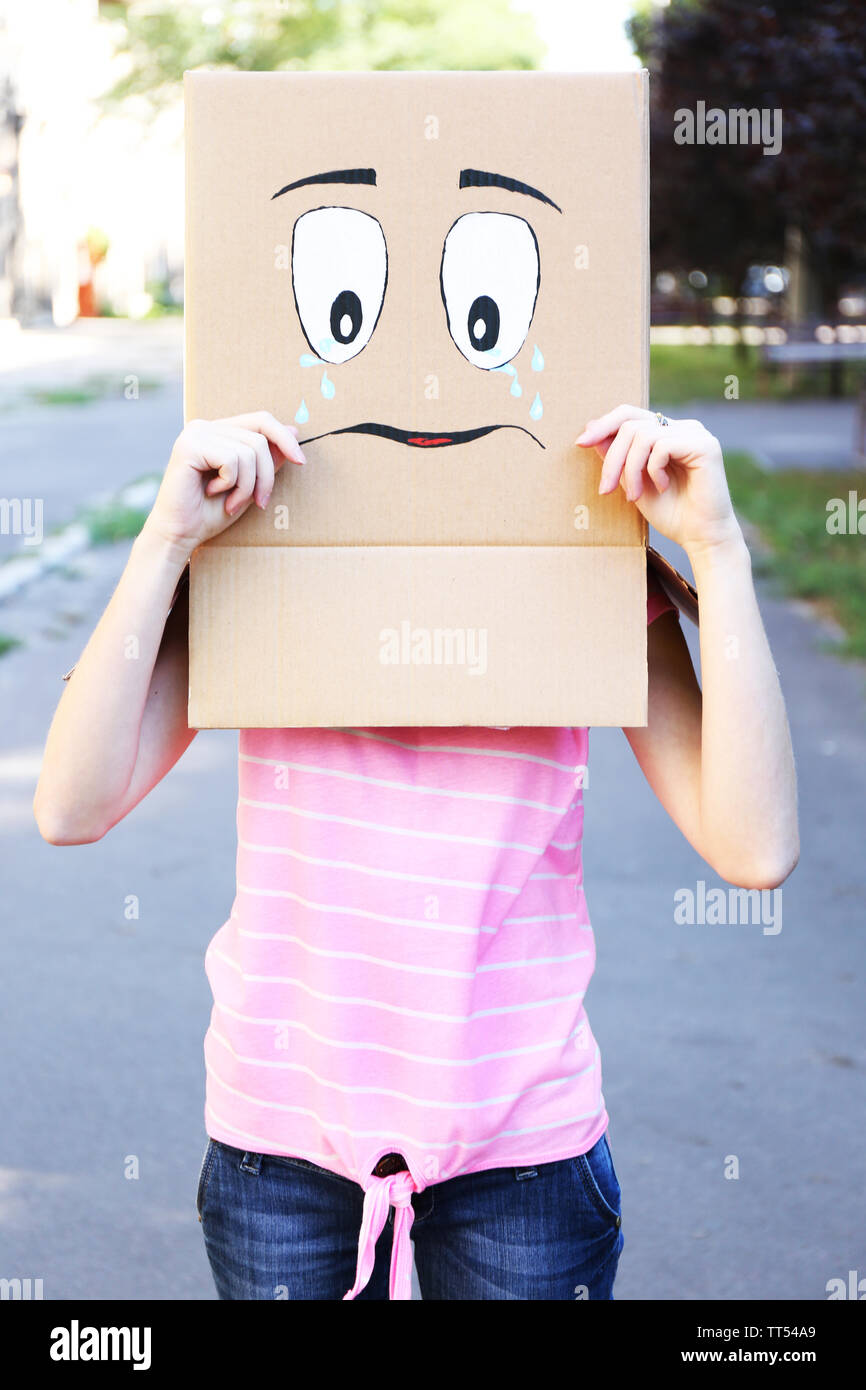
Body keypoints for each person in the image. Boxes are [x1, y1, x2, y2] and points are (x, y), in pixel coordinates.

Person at [33, 403, 799, 1301]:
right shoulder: (260, 551)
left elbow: (755, 846)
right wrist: (168, 540)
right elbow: (69, 807)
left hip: (521, 1155)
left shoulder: (582, 559)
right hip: (280, 1145)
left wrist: (716, 548)